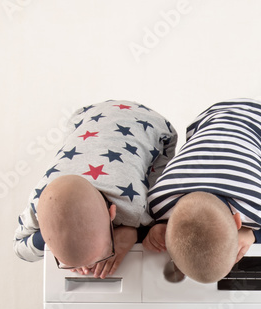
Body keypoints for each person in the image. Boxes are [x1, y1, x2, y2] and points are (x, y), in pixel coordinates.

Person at [146, 99, 261, 283]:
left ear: (239, 221)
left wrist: (255, 234)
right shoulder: (157, 200)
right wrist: (157, 227)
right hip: (206, 121)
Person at [15, 100, 175, 278]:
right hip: (82, 118)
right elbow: (20, 249)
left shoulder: (132, 206)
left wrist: (131, 233)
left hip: (154, 126)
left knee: (158, 196)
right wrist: (54, 236)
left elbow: (159, 230)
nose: (88, 268)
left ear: (112, 213)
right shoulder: (37, 204)